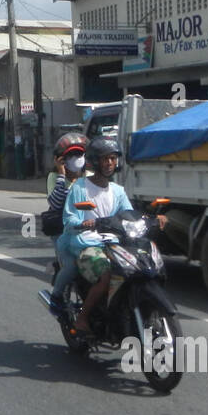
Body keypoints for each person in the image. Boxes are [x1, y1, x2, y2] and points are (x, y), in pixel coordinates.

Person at [50, 138, 131, 332]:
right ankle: (82, 318)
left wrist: (152, 218)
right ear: (95, 161)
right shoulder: (79, 188)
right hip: (84, 243)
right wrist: (82, 223)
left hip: (111, 243)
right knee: (105, 275)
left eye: (113, 158)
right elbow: (69, 219)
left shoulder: (118, 191)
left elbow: (128, 213)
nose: (110, 163)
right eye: (105, 159)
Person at [43, 132, 90, 319]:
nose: (75, 159)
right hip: (64, 233)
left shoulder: (91, 177)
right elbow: (55, 203)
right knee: (71, 266)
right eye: (70, 156)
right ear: (60, 160)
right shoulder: (54, 178)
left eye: (79, 155)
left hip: (90, 230)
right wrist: (62, 175)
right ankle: (56, 297)